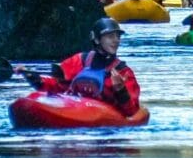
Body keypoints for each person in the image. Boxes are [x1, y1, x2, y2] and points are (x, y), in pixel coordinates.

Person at [14, 18, 142, 117]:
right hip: (76, 107)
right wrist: (32, 76)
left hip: (103, 118)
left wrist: (120, 90)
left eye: (117, 36)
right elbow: (56, 84)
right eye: (110, 37)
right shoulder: (79, 60)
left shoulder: (123, 71)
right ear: (97, 40)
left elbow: (131, 111)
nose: (116, 41)